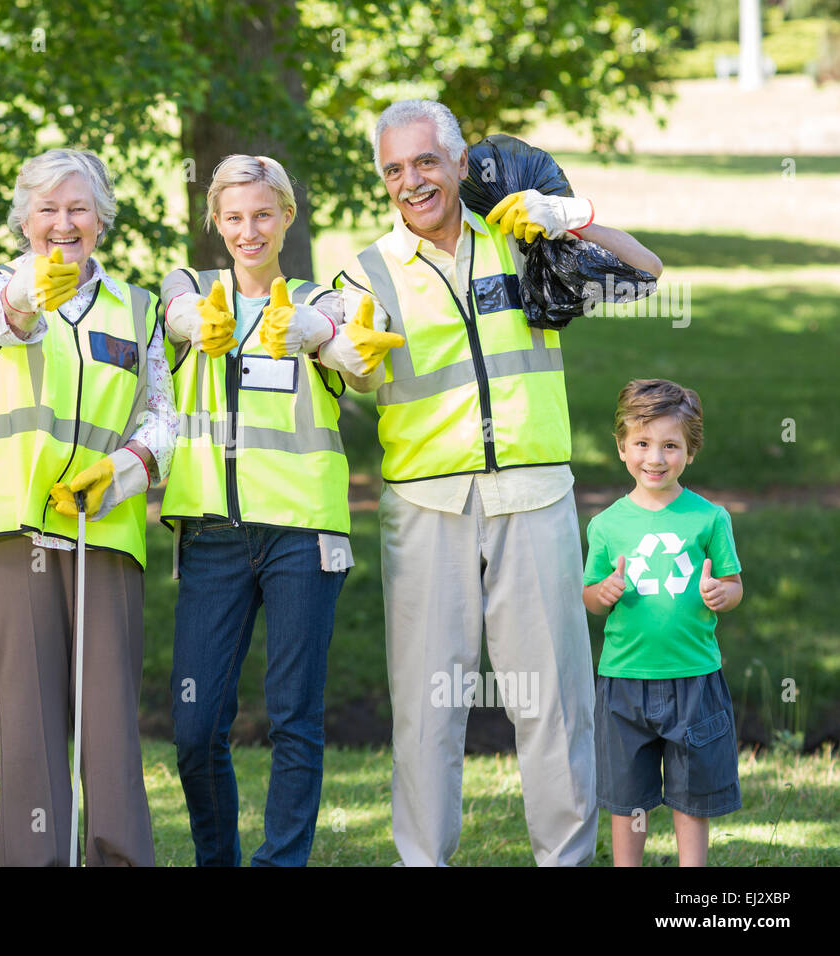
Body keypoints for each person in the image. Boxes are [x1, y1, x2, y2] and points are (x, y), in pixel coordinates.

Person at [332, 99, 665, 866]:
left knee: (553, 701)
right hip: (424, 508)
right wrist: (338, 353)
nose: (410, 181)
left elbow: (644, 273)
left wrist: (568, 216)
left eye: (424, 162)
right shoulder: (367, 271)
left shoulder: (520, 240)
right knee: (425, 709)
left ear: (458, 163)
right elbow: (342, 367)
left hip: (534, 496)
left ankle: (567, 859)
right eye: (393, 169)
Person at [160, 154, 401, 866]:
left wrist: (320, 337)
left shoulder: (324, 298)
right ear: (215, 222)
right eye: (233, 217)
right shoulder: (190, 287)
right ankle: (218, 858)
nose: (248, 230)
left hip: (304, 534)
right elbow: (170, 318)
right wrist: (190, 324)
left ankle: (283, 860)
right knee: (196, 726)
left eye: (263, 214)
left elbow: (361, 355)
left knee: (295, 715)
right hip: (212, 534)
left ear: (288, 216)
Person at [0, 148, 171, 866]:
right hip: (14, 527)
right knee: (33, 720)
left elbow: (165, 418)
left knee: (110, 721)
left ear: (102, 220)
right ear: (23, 220)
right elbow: (5, 317)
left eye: (78, 208)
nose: (63, 222)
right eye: (47, 208)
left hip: (106, 528)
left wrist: (130, 465)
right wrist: (31, 293)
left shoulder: (138, 309)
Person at [583, 379, 743, 867]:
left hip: (694, 677)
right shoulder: (606, 524)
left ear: (690, 451)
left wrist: (723, 593)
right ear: (622, 447)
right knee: (627, 798)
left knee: (691, 797)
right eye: (642, 444)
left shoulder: (709, 518)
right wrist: (602, 593)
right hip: (625, 682)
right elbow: (590, 596)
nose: (655, 458)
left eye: (670, 445)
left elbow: (734, 585)